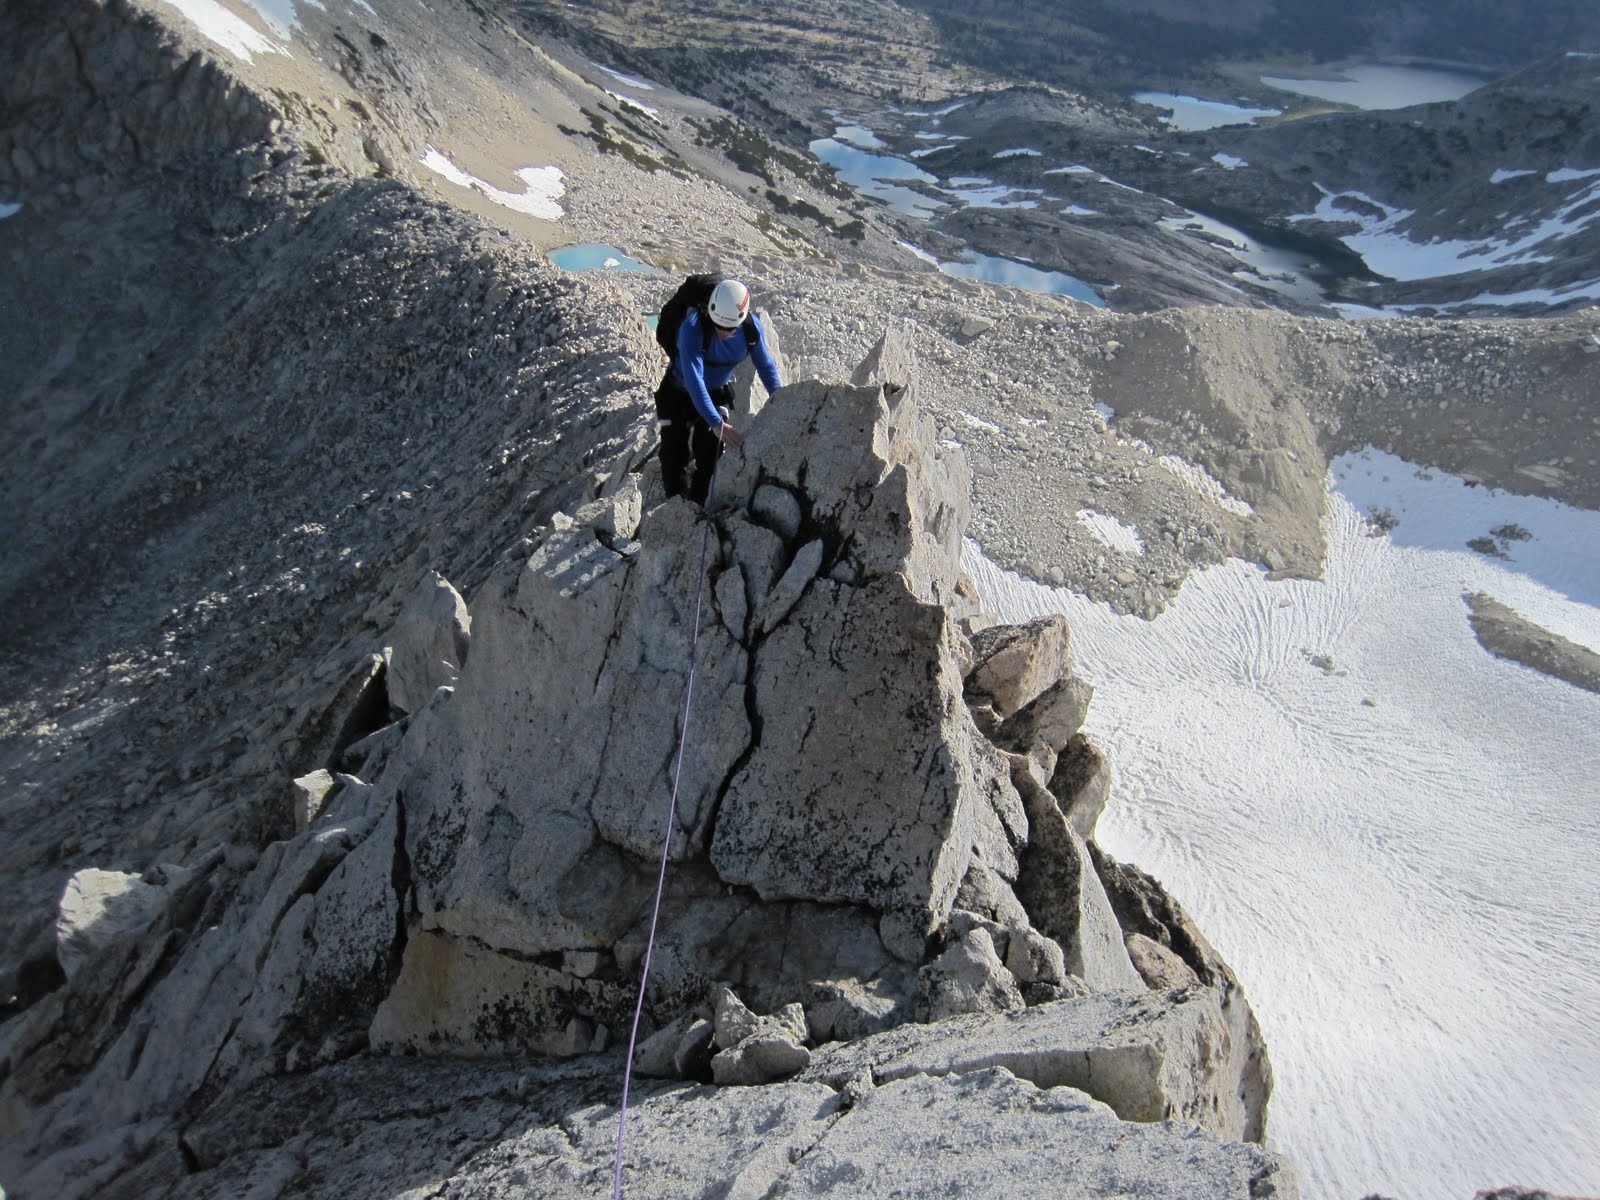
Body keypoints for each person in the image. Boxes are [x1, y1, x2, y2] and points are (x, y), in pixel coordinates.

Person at [654, 278, 782, 504]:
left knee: (709, 459)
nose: (722, 332)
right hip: (678, 391)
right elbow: (694, 379)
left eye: (729, 328)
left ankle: (696, 510)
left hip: (713, 392)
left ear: (741, 320)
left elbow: (766, 367)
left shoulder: (751, 330)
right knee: (673, 457)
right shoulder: (692, 327)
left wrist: (782, 401)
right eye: (718, 326)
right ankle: (675, 512)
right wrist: (716, 423)